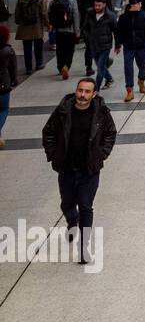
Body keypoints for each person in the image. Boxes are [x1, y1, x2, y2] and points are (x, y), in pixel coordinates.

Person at [42, 77, 117, 262]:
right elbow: (48, 132)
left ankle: (83, 248)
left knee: (85, 206)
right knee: (67, 204)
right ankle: (71, 220)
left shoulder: (101, 113)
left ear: (94, 94)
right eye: (80, 90)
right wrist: (53, 154)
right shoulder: (63, 111)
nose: (82, 95)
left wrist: (101, 154)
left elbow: (110, 134)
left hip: (89, 170)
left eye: (87, 91)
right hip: (66, 168)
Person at [114, 0, 145, 102]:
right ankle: (129, 90)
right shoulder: (123, 17)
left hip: (142, 46)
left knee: (142, 66)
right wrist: (119, 43)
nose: (140, 5)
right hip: (128, 47)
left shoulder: (144, 16)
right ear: (134, 4)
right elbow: (118, 32)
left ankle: (141, 81)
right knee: (128, 68)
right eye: (139, 3)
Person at [14, 0, 48, 75]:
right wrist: (47, 24)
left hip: (24, 26)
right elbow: (44, 13)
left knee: (27, 47)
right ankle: (39, 64)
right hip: (36, 26)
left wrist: (18, 22)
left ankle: (28, 68)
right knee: (38, 46)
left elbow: (17, 13)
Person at [48, 0, 80, 81]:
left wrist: (52, 26)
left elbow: (49, 14)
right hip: (69, 31)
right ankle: (66, 66)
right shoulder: (72, 1)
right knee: (69, 50)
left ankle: (60, 67)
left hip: (58, 31)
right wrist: (77, 30)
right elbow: (75, 16)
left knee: (60, 50)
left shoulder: (53, 1)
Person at [0, 26, 15, 149]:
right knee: (3, 109)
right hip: (3, 85)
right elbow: (13, 68)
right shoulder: (8, 51)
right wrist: (14, 80)